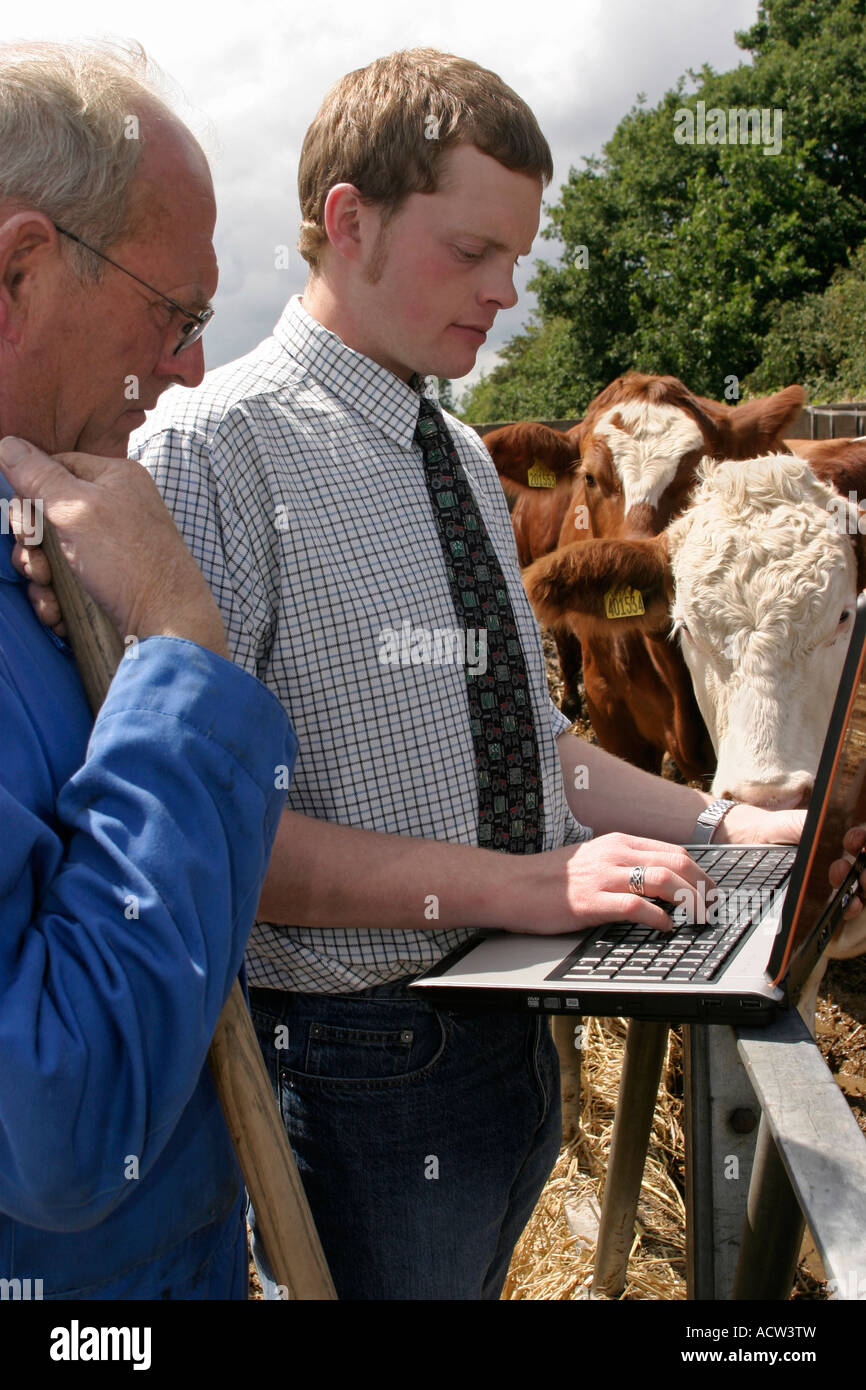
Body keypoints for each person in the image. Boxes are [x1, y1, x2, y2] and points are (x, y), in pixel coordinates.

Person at [24, 46, 866, 1300]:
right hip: (357, 1062)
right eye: (471, 253)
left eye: (518, 258)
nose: (505, 293)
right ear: (347, 221)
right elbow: (213, 838)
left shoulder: (465, 455)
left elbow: (538, 744)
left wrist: (736, 821)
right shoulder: (210, 447)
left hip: (510, 1030)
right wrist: (528, 883)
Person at [0, 40, 296, 1300]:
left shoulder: (53, 531)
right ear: (17, 272)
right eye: (172, 314)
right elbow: (57, 1117)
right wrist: (179, 644)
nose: (186, 367)